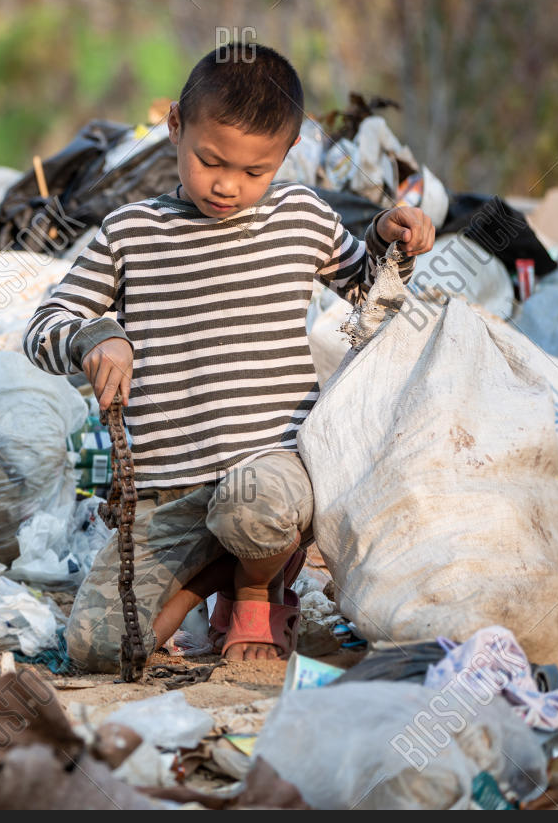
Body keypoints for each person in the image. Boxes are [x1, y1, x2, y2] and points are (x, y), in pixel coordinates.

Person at [24, 43, 435, 664]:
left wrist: (386, 234)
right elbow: (44, 327)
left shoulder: (302, 215)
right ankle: (211, 573)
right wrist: (91, 336)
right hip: (168, 493)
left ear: (287, 156)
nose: (227, 186)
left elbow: (368, 295)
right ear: (174, 128)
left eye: (254, 172)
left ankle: (256, 587)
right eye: (209, 160)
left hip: (268, 472)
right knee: (98, 650)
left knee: (254, 509)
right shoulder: (130, 232)